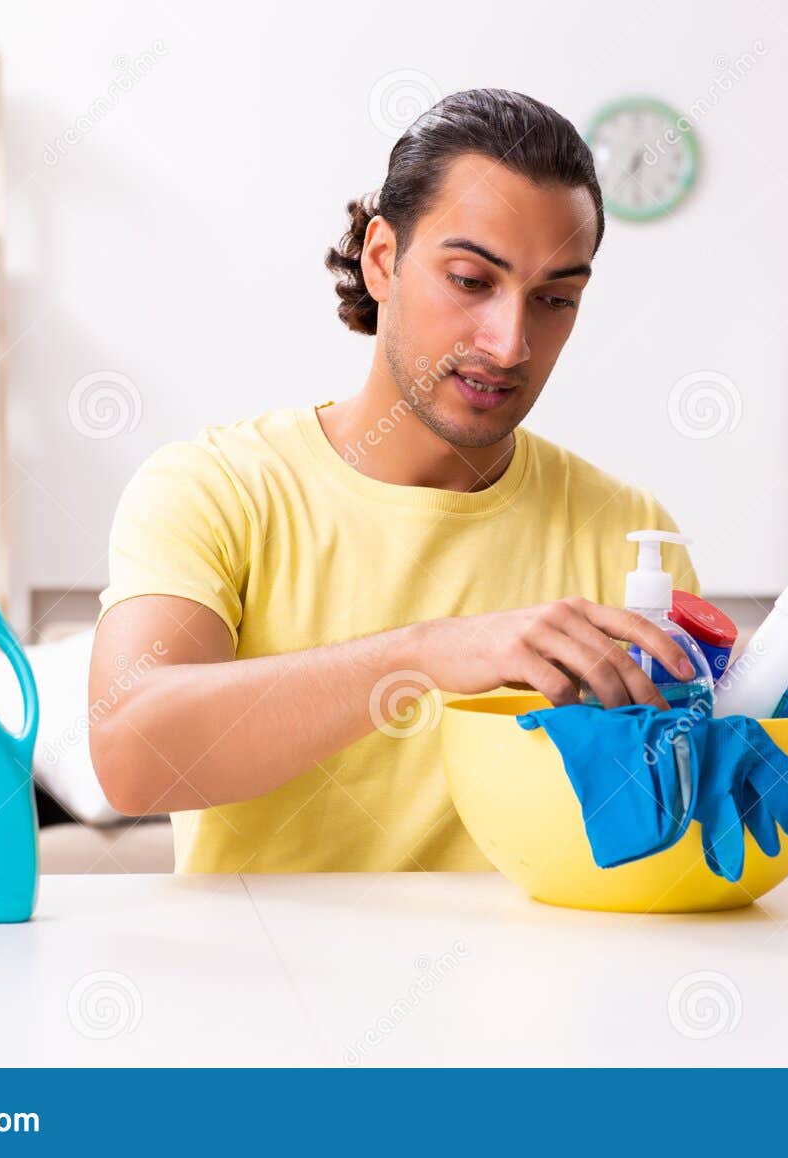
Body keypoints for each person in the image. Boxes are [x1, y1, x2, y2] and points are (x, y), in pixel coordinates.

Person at [89, 88, 700, 873]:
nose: (510, 343)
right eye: (472, 281)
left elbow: (667, 830)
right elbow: (133, 755)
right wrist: (425, 654)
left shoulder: (628, 532)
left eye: (554, 299)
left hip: (544, 988)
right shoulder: (218, 489)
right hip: (267, 987)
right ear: (383, 259)